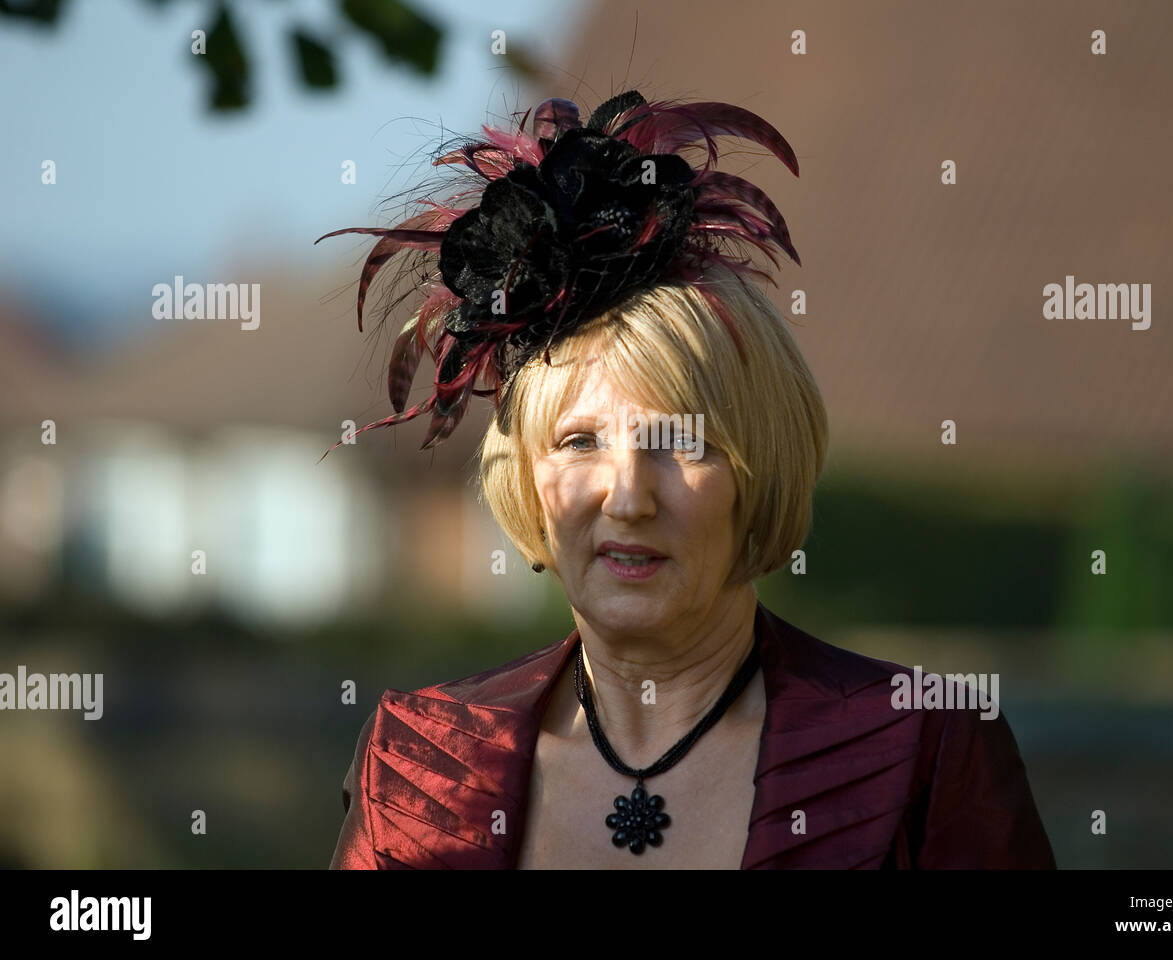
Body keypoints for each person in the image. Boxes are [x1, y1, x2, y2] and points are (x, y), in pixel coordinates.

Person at [320, 89, 1055, 869]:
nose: (628, 498)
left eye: (680, 442)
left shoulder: (924, 752)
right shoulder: (417, 768)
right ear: (527, 476)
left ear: (759, 467)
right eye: (579, 442)